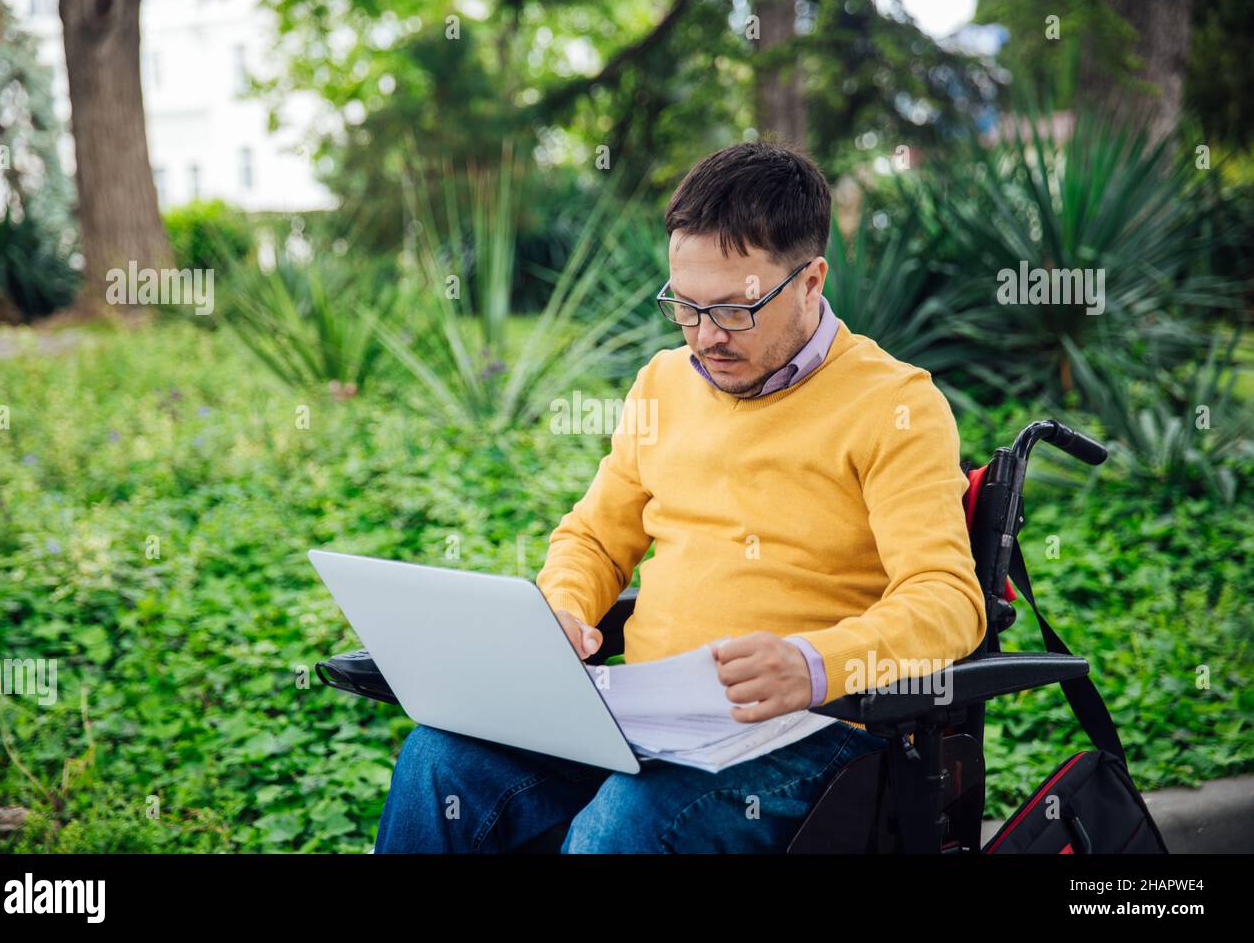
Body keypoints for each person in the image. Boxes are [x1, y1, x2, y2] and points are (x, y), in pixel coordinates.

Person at [375, 140, 987, 853]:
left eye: (734, 309)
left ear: (812, 280)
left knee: (626, 825)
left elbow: (947, 600)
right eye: (686, 306)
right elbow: (596, 539)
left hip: (814, 735)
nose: (705, 337)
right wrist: (567, 609)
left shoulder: (894, 405)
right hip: (646, 722)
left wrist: (813, 663)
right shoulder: (664, 383)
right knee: (438, 763)